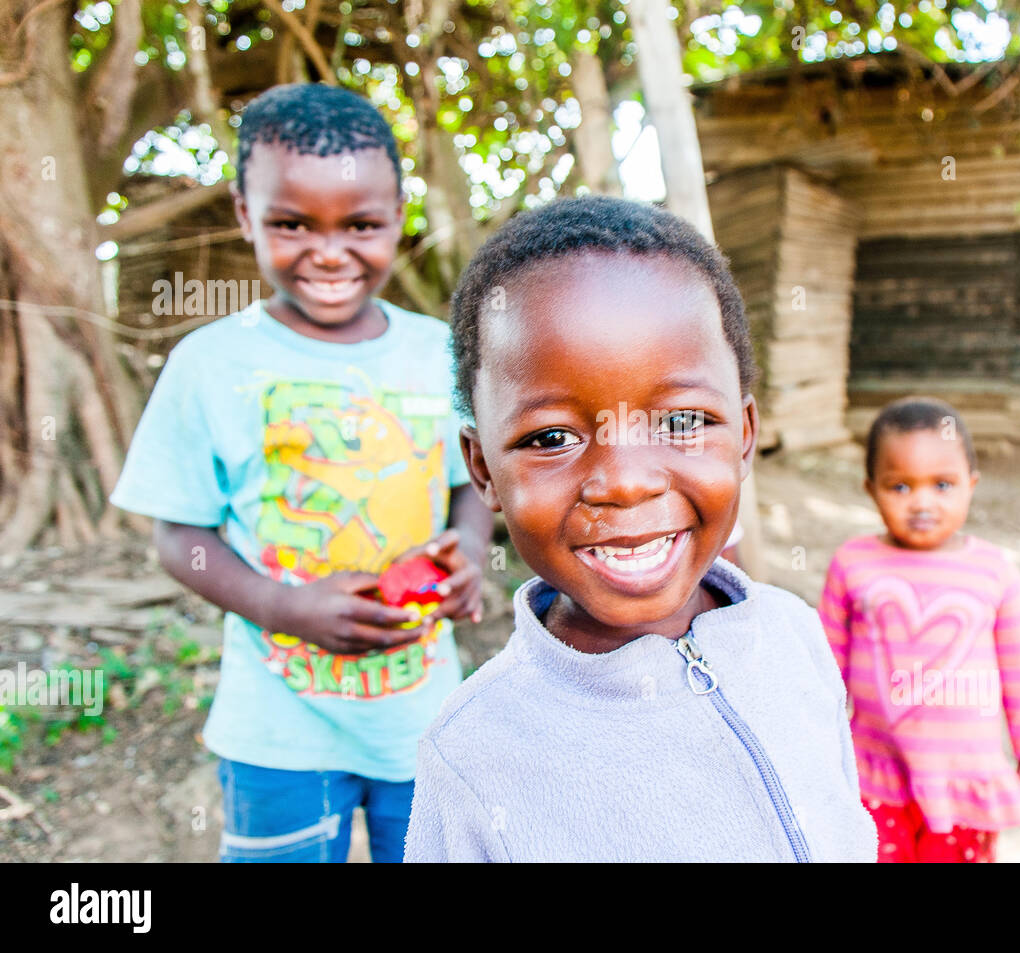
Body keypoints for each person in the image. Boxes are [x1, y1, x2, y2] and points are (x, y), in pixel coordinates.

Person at [402, 196, 877, 862]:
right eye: (552, 436)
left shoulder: (794, 634)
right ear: (482, 468)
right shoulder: (475, 753)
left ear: (743, 433)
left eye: (681, 421)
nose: (625, 481)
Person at [109, 84, 493, 863]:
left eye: (361, 224)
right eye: (291, 223)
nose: (328, 251)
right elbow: (176, 533)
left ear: (397, 217)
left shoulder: (438, 351)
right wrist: (282, 605)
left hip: (422, 714)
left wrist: (471, 550)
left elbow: (468, 479)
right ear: (248, 218)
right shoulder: (209, 364)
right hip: (275, 723)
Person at [818, 397, 1020, 862]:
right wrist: (818, 749)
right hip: (875, 773)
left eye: (943, 484)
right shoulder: (853, 563)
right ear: (871, 489)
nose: (922, 502)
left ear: (971, 485)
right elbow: (826, 667)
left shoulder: (994, 571)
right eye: (901, 486)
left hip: (965, 778)